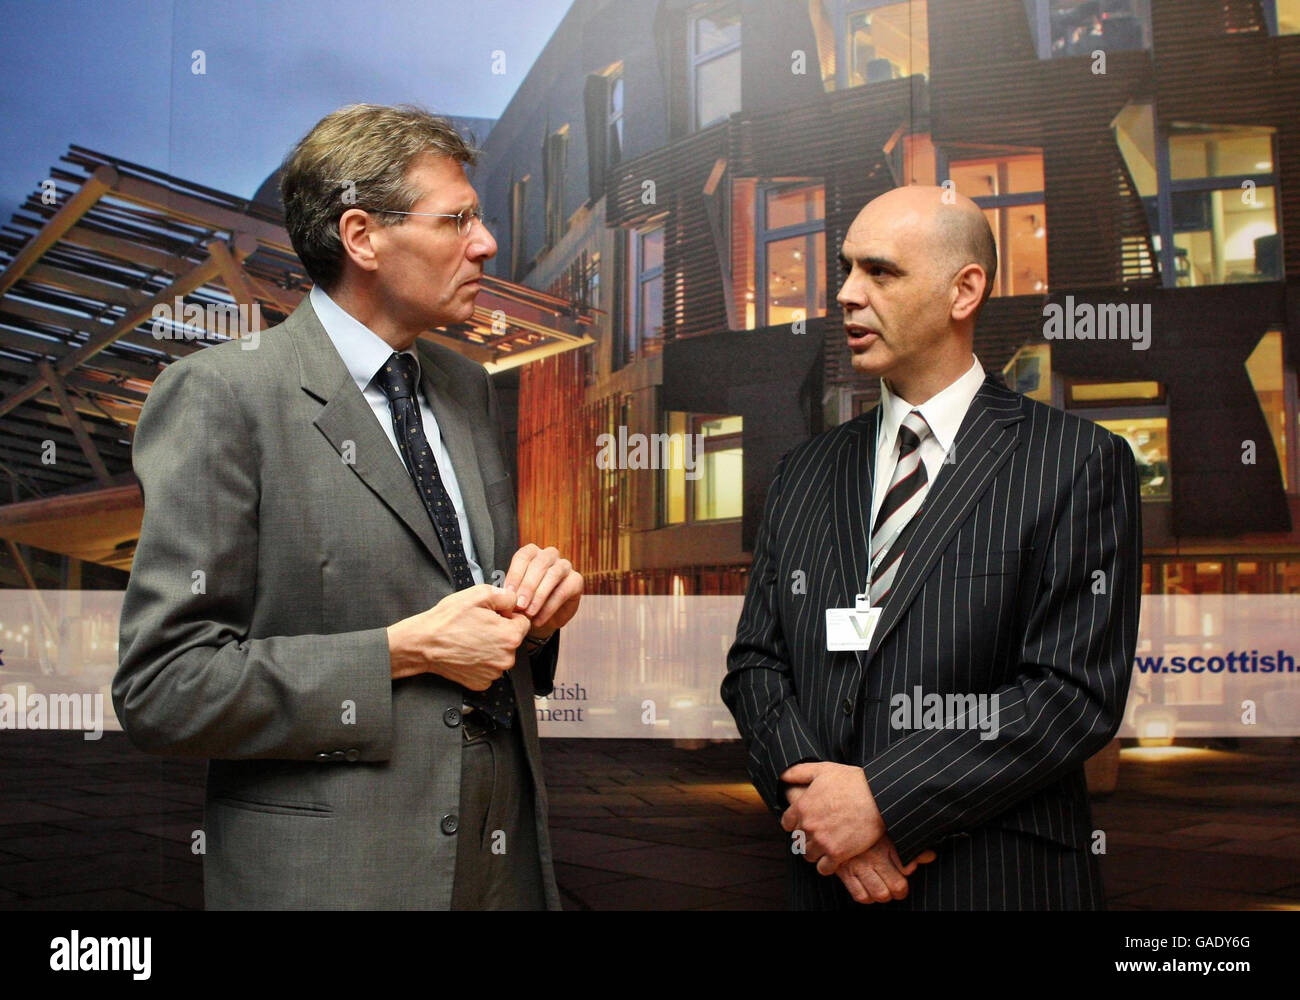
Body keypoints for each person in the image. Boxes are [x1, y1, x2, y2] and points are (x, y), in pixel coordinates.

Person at [114, 104, 582, 910]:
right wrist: (401, 651)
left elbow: (481, 635)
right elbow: (166, 687)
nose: (486, 244)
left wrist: (535, 618)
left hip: (501, 872)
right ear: (362, 236)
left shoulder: (467, 388)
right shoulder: (223, 396)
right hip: (333, 881)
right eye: (458, 219)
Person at [721, 184, 1140, 910]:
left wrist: (882, 800)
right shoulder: (804, 471)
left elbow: (1072, 693)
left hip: (1001, 883)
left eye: (879, 272)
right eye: (846, 270)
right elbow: (757, 664)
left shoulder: (1076, 462)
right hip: (828, 883)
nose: (847, 295)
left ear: (964, 290)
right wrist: (823, 814)